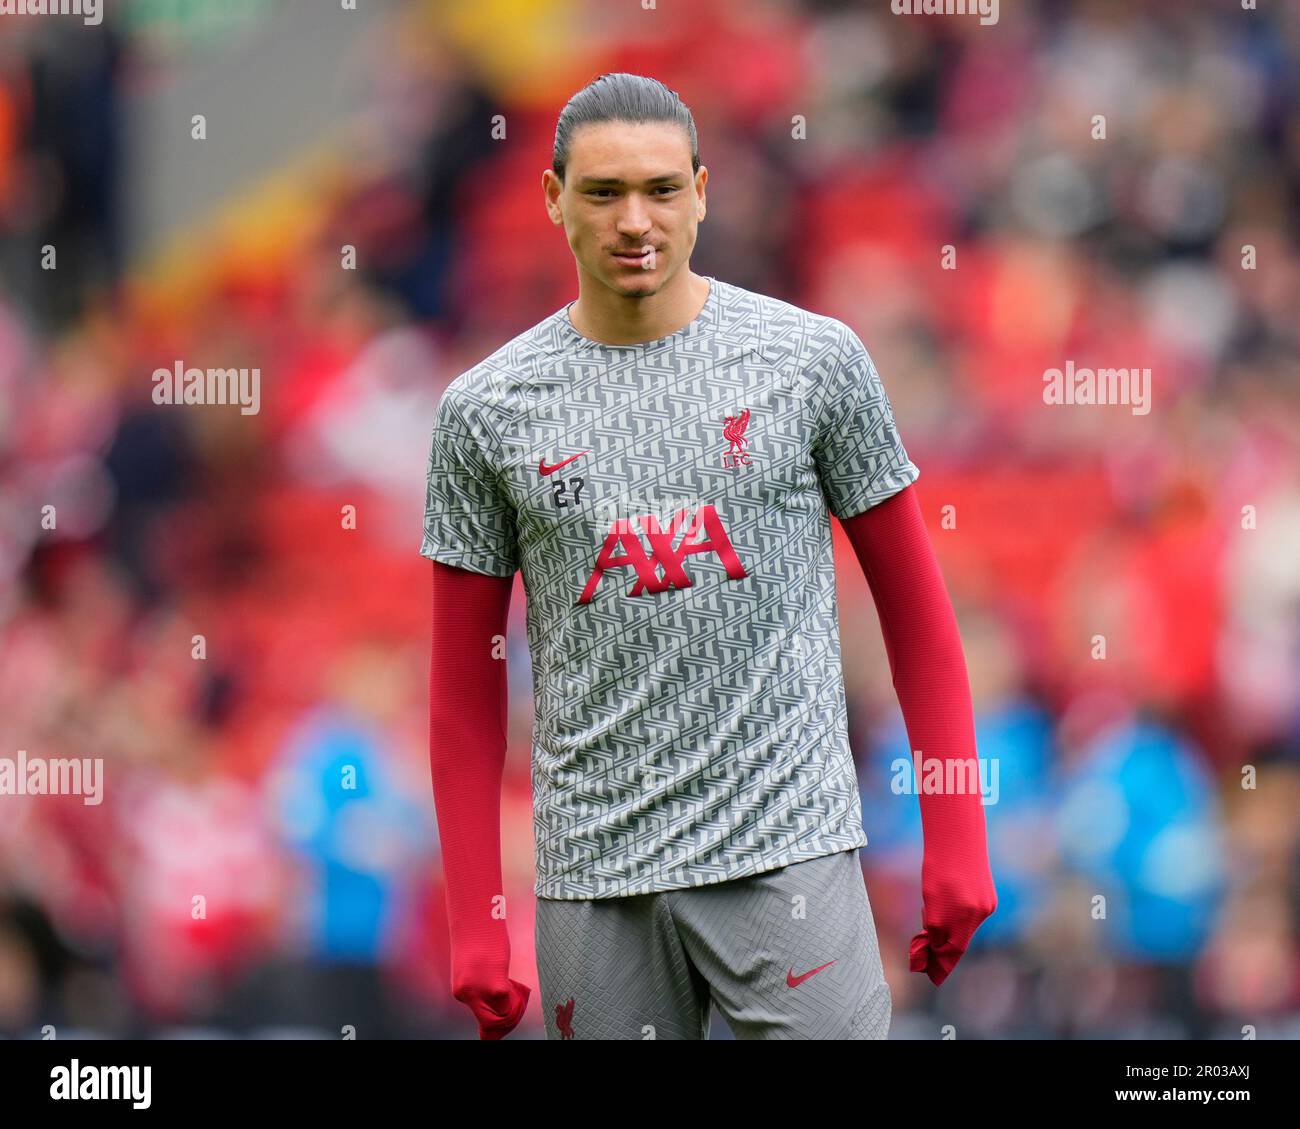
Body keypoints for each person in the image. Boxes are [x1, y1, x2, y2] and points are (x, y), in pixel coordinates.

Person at [422, 72, 996, 1040]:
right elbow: (460, 688)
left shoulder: (811, 363)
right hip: (594, 882)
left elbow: (918, 618)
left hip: (789, 855)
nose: (634, 219)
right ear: (552, 199)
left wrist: (957, 833)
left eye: (660, 188)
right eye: (602, 193)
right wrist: (477, 913)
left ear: (701, 189)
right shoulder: (485, 414)